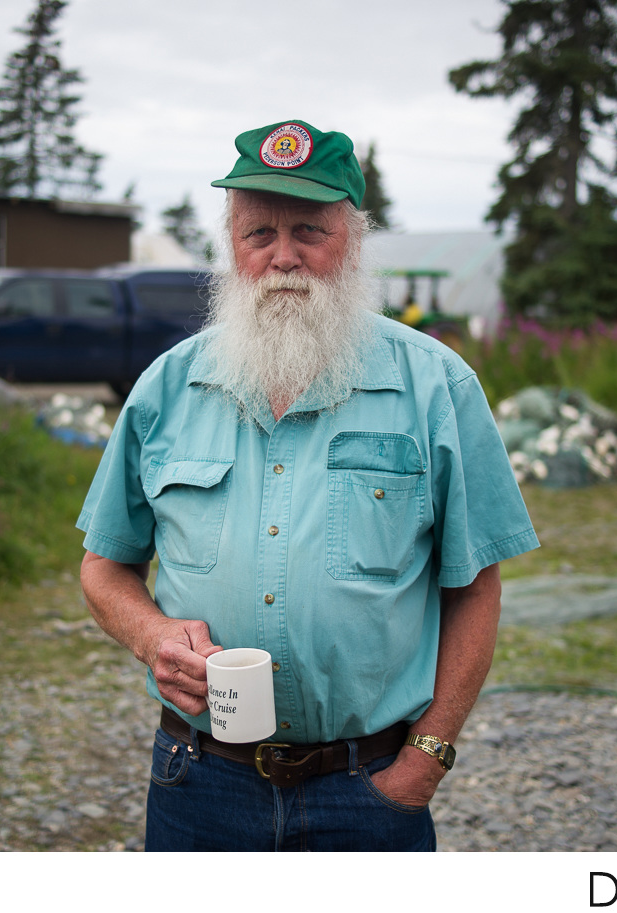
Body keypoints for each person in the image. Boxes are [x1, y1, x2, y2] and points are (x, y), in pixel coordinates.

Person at [77, 119, 538, 851]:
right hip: (198, 783)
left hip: (369, 789)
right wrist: (152, 634)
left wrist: (427, 759)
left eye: (308, 231)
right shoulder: (166, 388)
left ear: (352, 241)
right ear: (232, 247)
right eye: (259, 233)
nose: (283, 256)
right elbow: (105, 564)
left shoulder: (436, 386)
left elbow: (475, 588)